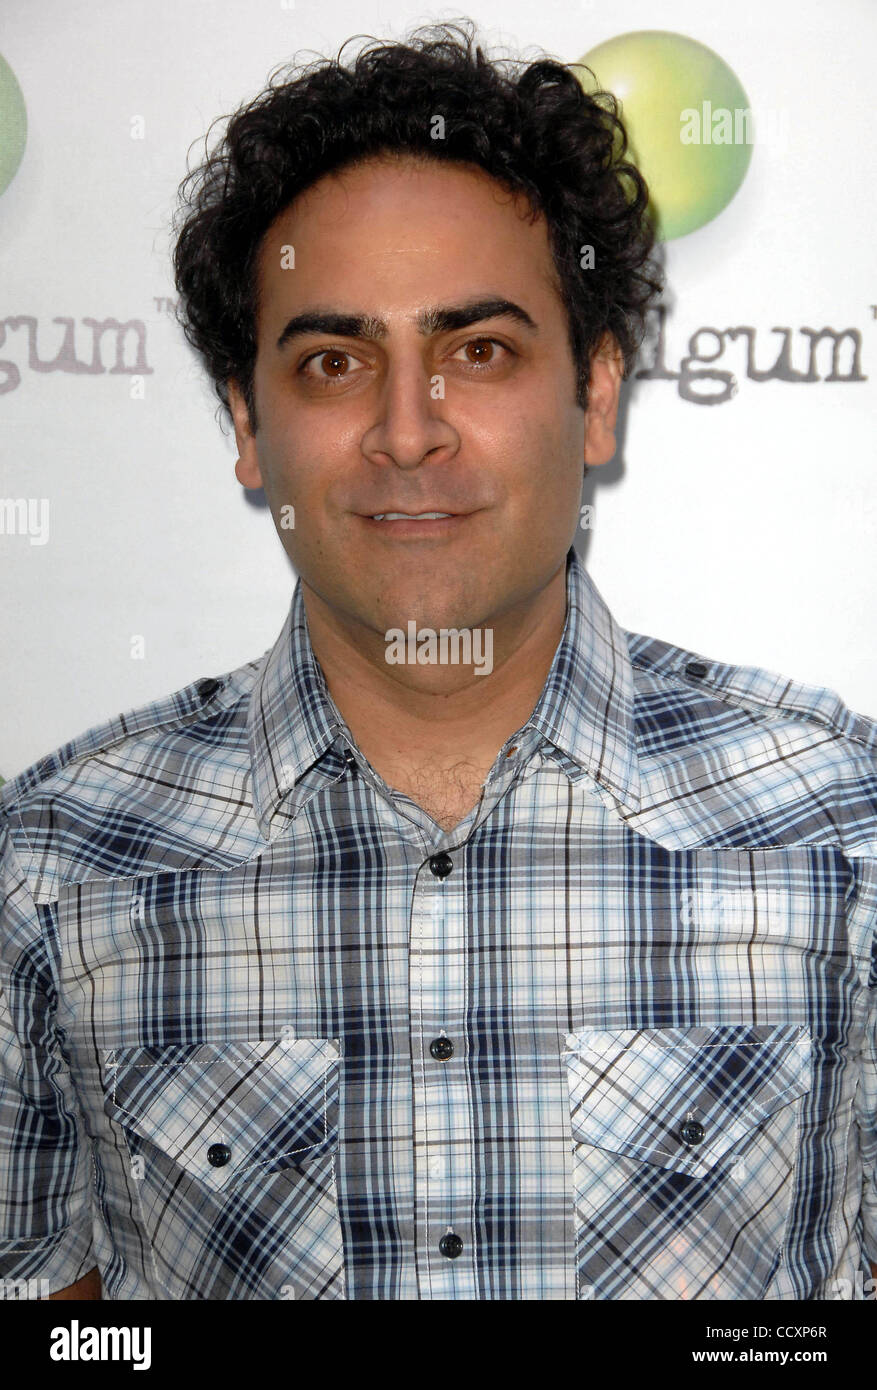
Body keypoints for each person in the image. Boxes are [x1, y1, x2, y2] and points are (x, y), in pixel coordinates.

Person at [1, 19, 875, 1302]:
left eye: (480, 351)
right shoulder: (54, 867)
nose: (406, 432)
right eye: (334, 361)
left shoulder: (841, 829)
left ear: (593, 395)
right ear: (249, 426)